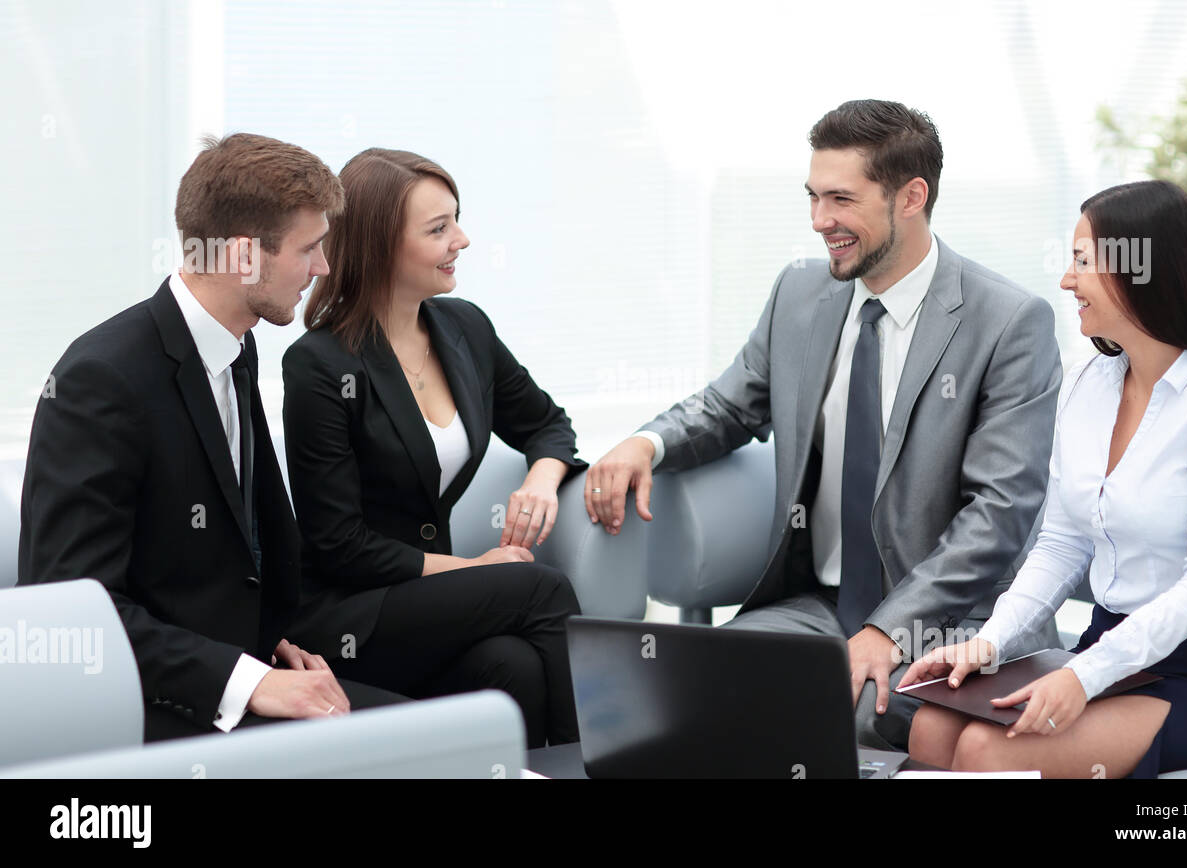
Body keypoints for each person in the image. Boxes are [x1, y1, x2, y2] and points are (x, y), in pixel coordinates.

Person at [585, 99, 1063, 749]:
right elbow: (730, 404)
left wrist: (889, 629)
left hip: (950, 623)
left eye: (840, 200)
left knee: (857, 712)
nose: (819, 222)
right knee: (686, 687)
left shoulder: (1008, 323)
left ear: (911, 196)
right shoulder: (800, 293)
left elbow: (1000, 513)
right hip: (819, 610)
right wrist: (647, 443)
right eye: (812, 198)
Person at [19, 132, 407, 741]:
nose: (323, 268)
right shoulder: (102, 380)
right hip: (151, 709)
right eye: (310, 249)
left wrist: (271, 647)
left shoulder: (237, 344)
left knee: (458, 716)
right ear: (245, 257)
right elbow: (72, 613)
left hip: (235, 667)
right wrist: (247, 682)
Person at [901, 179, 1187, 778]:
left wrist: (1083, 677)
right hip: (1109, 649)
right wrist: (991, 643)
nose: (1066, 280)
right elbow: (1061, 543)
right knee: (931, 726)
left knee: (985, 753)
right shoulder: (1090, 386)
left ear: (1140, 271)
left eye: (1082, 262)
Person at [281, 148, 586, 748]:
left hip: (427, 603)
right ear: (378, 246)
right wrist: (472, 571)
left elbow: (548, 424)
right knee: (541, 589)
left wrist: (541, 480)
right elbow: (339, 546)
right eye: (438, 229)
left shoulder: (464, 328)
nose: (463, 240)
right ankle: (606, 765)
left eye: (457, 220)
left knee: (513, 668)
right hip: (351, 612)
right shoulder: (319, 365)